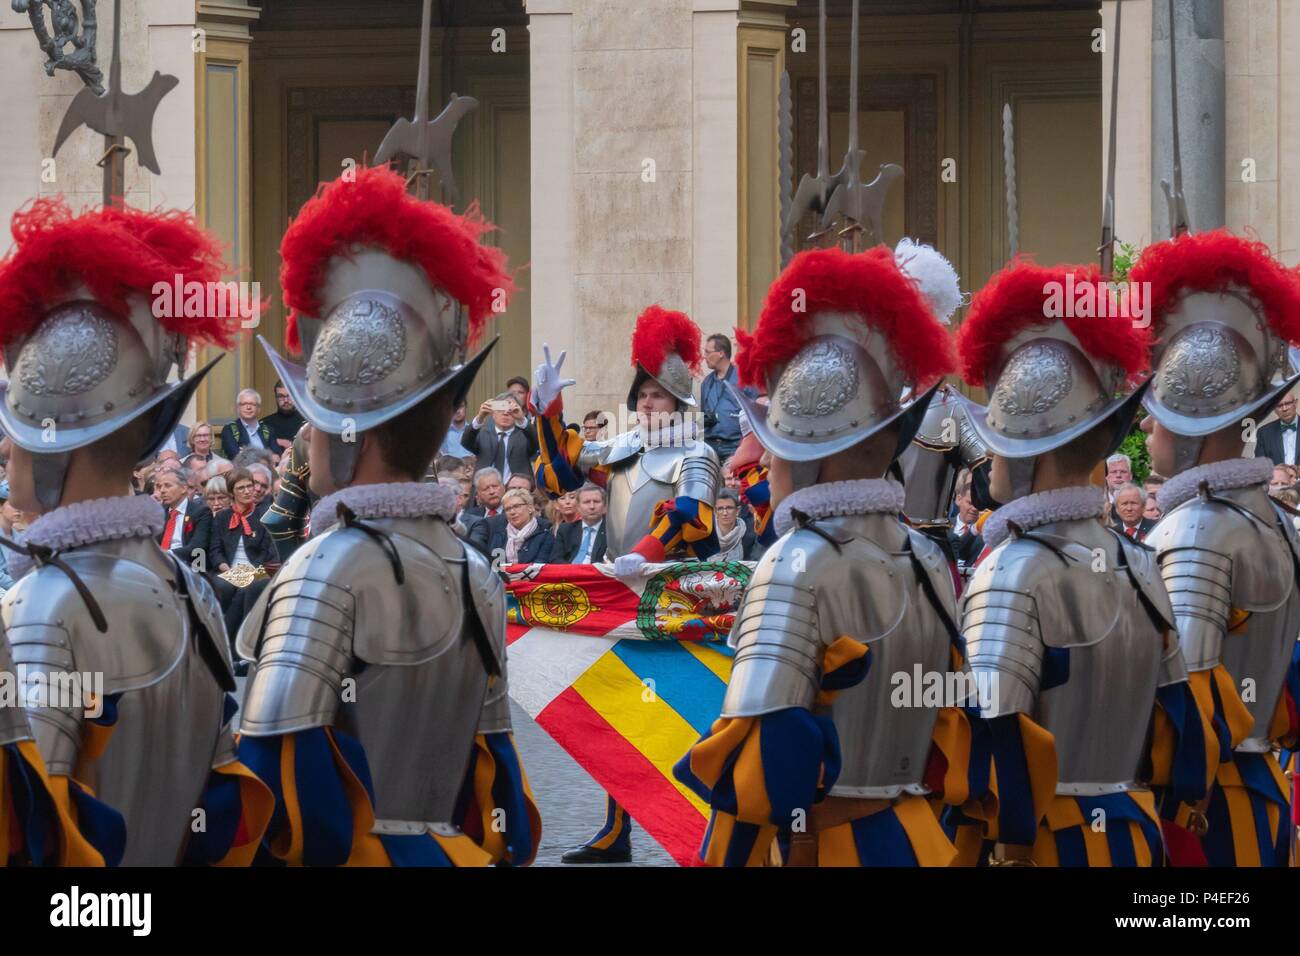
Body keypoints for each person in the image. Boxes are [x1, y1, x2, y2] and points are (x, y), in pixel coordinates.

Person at [235, 164, 539, 867]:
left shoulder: (325, 566)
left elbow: (280, 783)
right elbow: (499, 784)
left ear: (344, 438)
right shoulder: (476, 570)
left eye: (312, 423)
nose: (301, 439)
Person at [674, 244, 971, 867]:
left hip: (825, 846)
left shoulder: (794, 562)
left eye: (776, 447)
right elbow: (951, 718)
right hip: (915, 836)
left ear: (804, 456)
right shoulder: (925, 556)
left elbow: (768, 749)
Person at [0, 197, 271, 866]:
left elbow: (35, 822)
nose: (8, 456)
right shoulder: (187, 585)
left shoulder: (43, 603)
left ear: (53, 449)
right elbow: (218, 806)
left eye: (15, 440)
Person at [951, 257, 1206, 867]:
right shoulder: (1139, 559)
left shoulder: (1011, 570)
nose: (992, 461)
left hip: (1049, 843)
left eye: (1000, 444)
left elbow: (991, 735)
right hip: (1135, 833)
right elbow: (1182, 722)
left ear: (1030, 453)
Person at [1134, 229, 1300, 866]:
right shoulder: (1274, 518)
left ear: (1192, 425)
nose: (1146, 425)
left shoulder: (1197, 530)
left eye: (1157, 411)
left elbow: (1187, 698)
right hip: (1257, 785)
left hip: (1204, 804)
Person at [533, 304, 721, 864]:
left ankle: (702, 825)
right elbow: (561, 472)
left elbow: (691, 512)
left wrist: (644, 554)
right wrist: (548, 409)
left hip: (676, 596)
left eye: (657, 395)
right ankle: (616, 830)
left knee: (685, 716)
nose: (645, 402)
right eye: (641, 394)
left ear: (681, 403)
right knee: (622, 719)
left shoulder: (698, 452)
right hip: (621, 594)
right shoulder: (622, 450)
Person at [209, 467, 278, 574]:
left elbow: (266, 553)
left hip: (256, 572)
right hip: (228, 571)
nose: (247, 491)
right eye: (241, 488)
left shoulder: (264, 516)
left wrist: (247, 573)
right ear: (231, 492)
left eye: (250, 486)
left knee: (250, 588)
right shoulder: (222, 517)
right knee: (220, 586)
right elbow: (215, 551)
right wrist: (228, 570)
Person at [460, 392, 537, 481]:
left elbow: (536, 441)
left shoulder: (524, 435)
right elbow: (465, 442)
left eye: (510, 410)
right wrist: (480, 417)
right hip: (486, 489)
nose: (505, 413)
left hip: (516, 490)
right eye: (501, 408)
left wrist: (521, 419)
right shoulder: (483, 434)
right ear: (493, 413)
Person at [700, 333, 754, 461]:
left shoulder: (744, 379)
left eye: (708, 352)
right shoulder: (706, 383)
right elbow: (701, 417)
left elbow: (756, 415)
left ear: (721, 353)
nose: (704, 356)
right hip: (709, 447)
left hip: (736, 448)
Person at [155, 467, 214, 571]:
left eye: (167, 486)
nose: (162, 490)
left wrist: (165, 554)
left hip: (189, 565)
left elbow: (197, 547)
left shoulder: (201, 512)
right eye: (160, 487)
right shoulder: (159, 512)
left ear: (183, 488)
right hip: (159, 565)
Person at [484, 488, 554, 565]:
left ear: (530, 508)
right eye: (507, 509)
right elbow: (495, 567)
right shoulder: (499, 536)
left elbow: (540, 565)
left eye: (516, 506)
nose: (512, 512)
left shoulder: (545, 534)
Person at [556, 483, 608, 563]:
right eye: (587, 502)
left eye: (596, 501)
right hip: (569, 573)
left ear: (605, 507)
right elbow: (555, 559)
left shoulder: (612, 532)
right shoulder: (565, 530)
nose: (592, 506)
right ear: (578, 507)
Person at [220, 389, 275, 459]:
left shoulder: (268, 430)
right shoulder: (229, 430)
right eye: (244, 404)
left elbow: (277, 456)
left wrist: (247, 453)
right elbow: (236, 457)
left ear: (258, 408)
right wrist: (267, 456)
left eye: (252, 404)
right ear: (238, 408)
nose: (248, 407)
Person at [1253, 390, 1299, 467]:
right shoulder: (1264, 433)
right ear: (1274, 409)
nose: (1284, 409)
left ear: (1296, 403)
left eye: (1287, 403)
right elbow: (1260, 466)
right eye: (1279, 405)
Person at [260, 380, 306, 454]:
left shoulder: (307, 423)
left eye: (289, 395)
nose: (286, 400)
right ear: (276, 398)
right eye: (281, 396)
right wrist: (276, 442)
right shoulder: (264, 424)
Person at [711, 488, 753, 562]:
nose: (725, 513)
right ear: (715, 511)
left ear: (738, 510)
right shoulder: (706, 534)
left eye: (729, 508)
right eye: (720, 509)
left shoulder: (749, 534)